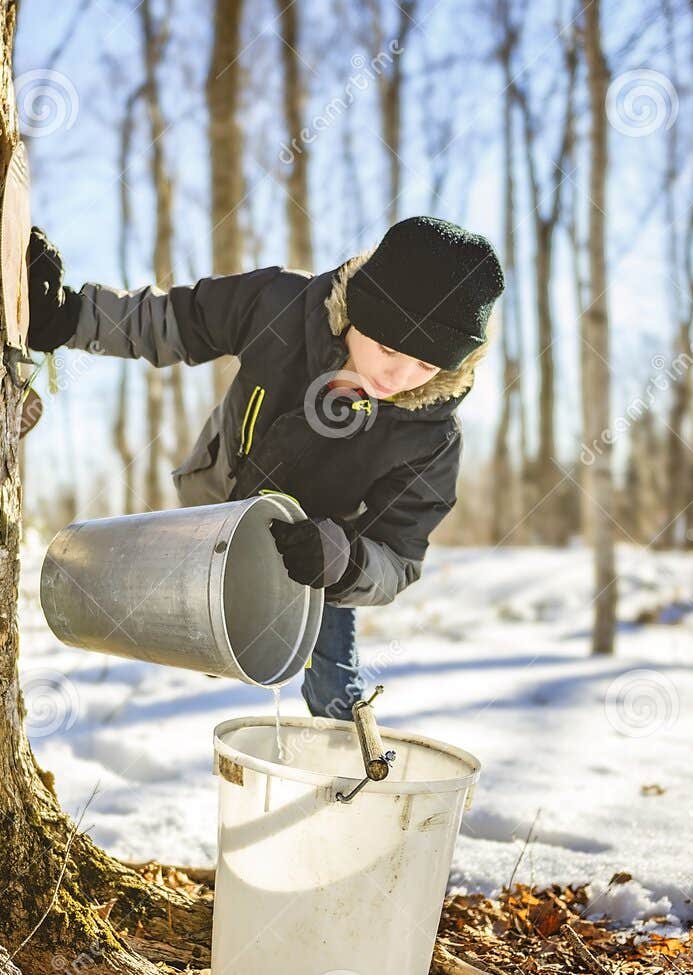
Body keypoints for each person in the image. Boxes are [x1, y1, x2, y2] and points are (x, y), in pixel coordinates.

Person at [25, 215, 504, 721]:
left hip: (317, 560)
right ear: (360, 309)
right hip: (217, 507)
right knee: (171, 616)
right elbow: (170, 322)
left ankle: (343, 767)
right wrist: (72, 316)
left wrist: (345, 562)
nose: (400, 376)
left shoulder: (430, 436)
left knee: (335, 684)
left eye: (427, 365)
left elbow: (400, 557)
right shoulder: (281, 305)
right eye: (388, 348)